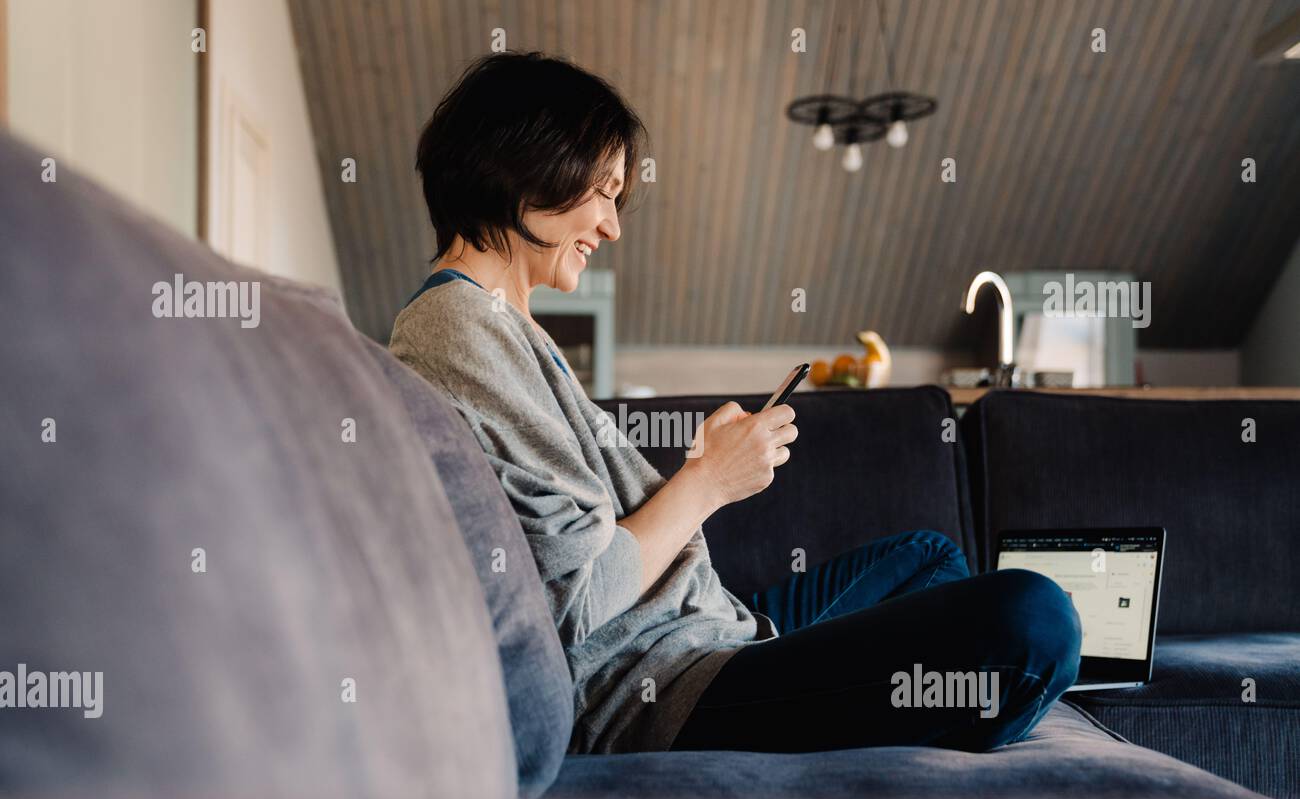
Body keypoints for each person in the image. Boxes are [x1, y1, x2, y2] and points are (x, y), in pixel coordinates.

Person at [390, 51, 1081, 757]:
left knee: (927, 553)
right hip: (667, 684)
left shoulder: (504, 324)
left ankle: (878, 712)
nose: (612, 226)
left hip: (717, 626)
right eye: (601, 192)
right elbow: (573, 605)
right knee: (1033, 617)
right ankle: (889, 724)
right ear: (523, 169)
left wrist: (699, 468)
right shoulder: (456, 327)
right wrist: (706, 483)